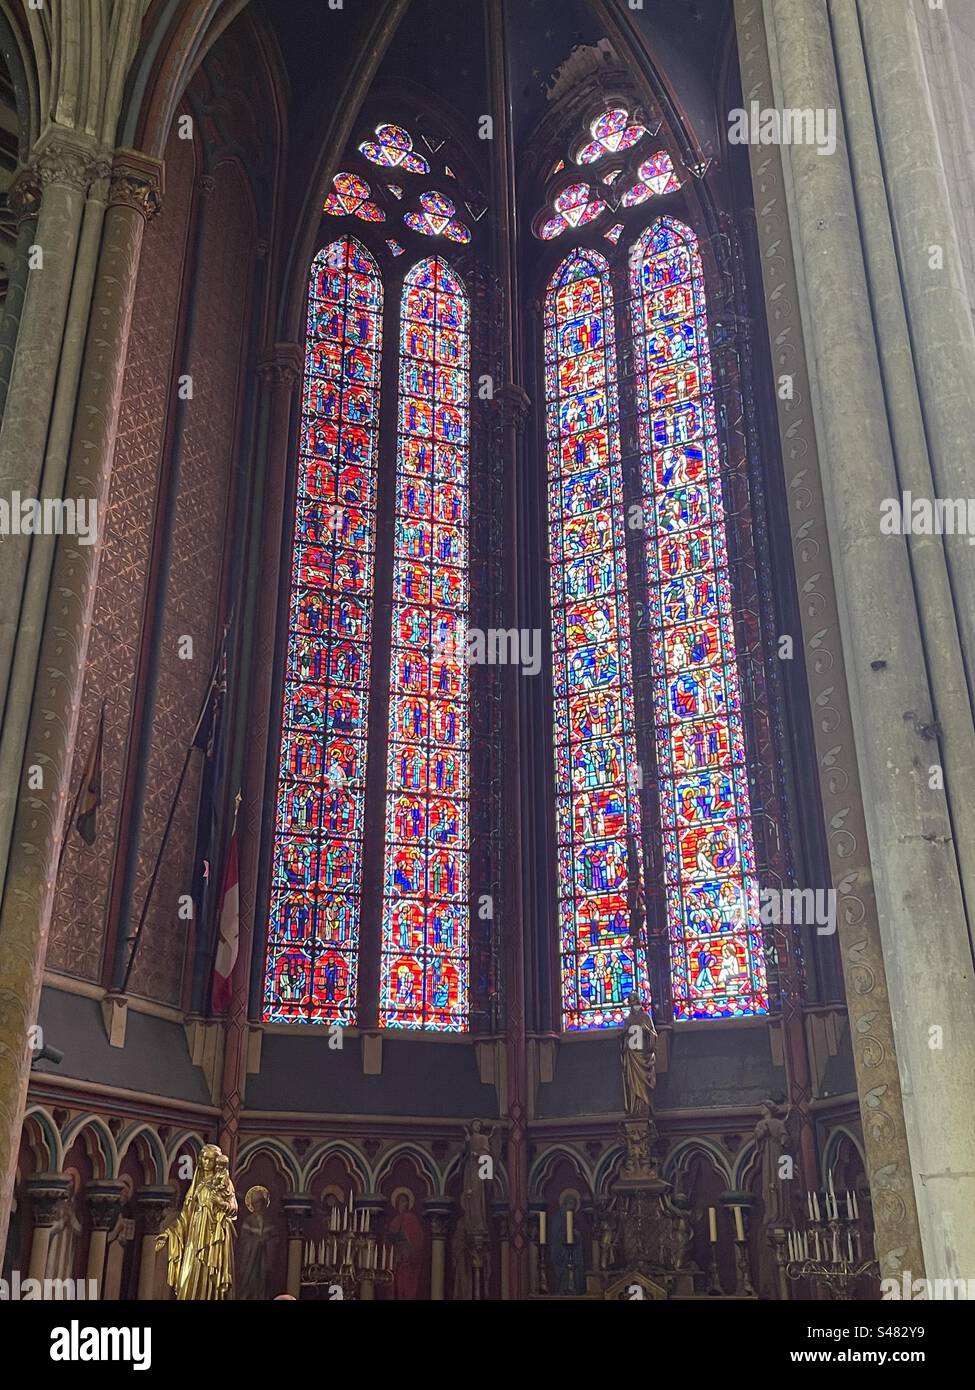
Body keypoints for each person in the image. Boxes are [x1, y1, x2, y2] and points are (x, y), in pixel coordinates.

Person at [155, 1144, 237, 1300]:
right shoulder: (197, 1186)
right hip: (194, 1238)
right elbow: (185, 1217)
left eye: (209, 1159)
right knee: (187, 1279)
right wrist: (168, 1233)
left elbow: (233, 1210)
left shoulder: (223, 1183)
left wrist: (220, 1204)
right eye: (202, 1158)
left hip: (213, 1240)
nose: (204, 1162)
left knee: (208, 1277)